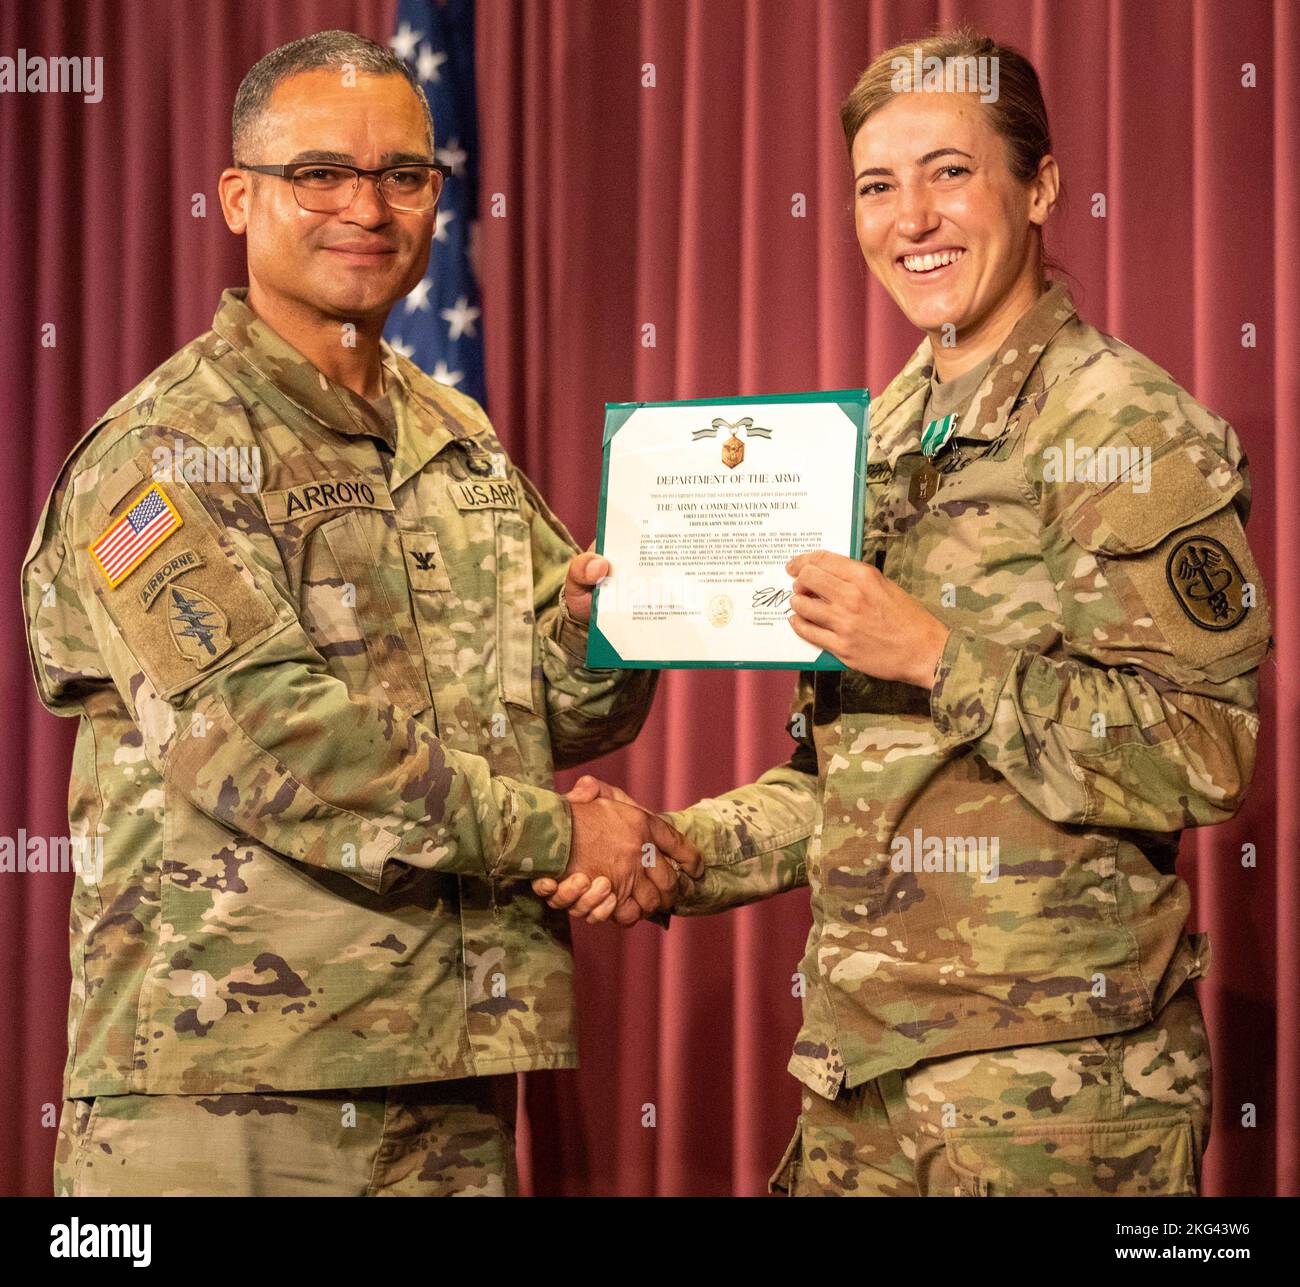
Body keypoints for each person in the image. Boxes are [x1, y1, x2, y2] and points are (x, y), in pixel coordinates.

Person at [536, 29, 1272, 1196]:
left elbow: (1205, 752)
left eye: (949, 172)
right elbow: (842, 780)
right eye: (877, 186)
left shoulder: (1123, 427)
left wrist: (936, 653)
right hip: (858, 1083)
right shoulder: (863, 440)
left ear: (1037, 187)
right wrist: (679, 856)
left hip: (1055, 1103)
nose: (910, 217)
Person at [22, 29, 699, 1198]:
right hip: (230, 1092)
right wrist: (565, 838)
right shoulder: (163, 451)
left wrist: (618, 618)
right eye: (321, 173)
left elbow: (543, 713)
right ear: (239, 197)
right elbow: (268, 740)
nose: (367, 208)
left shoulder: (454, 433)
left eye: (403, 176)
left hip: (452, 1072)